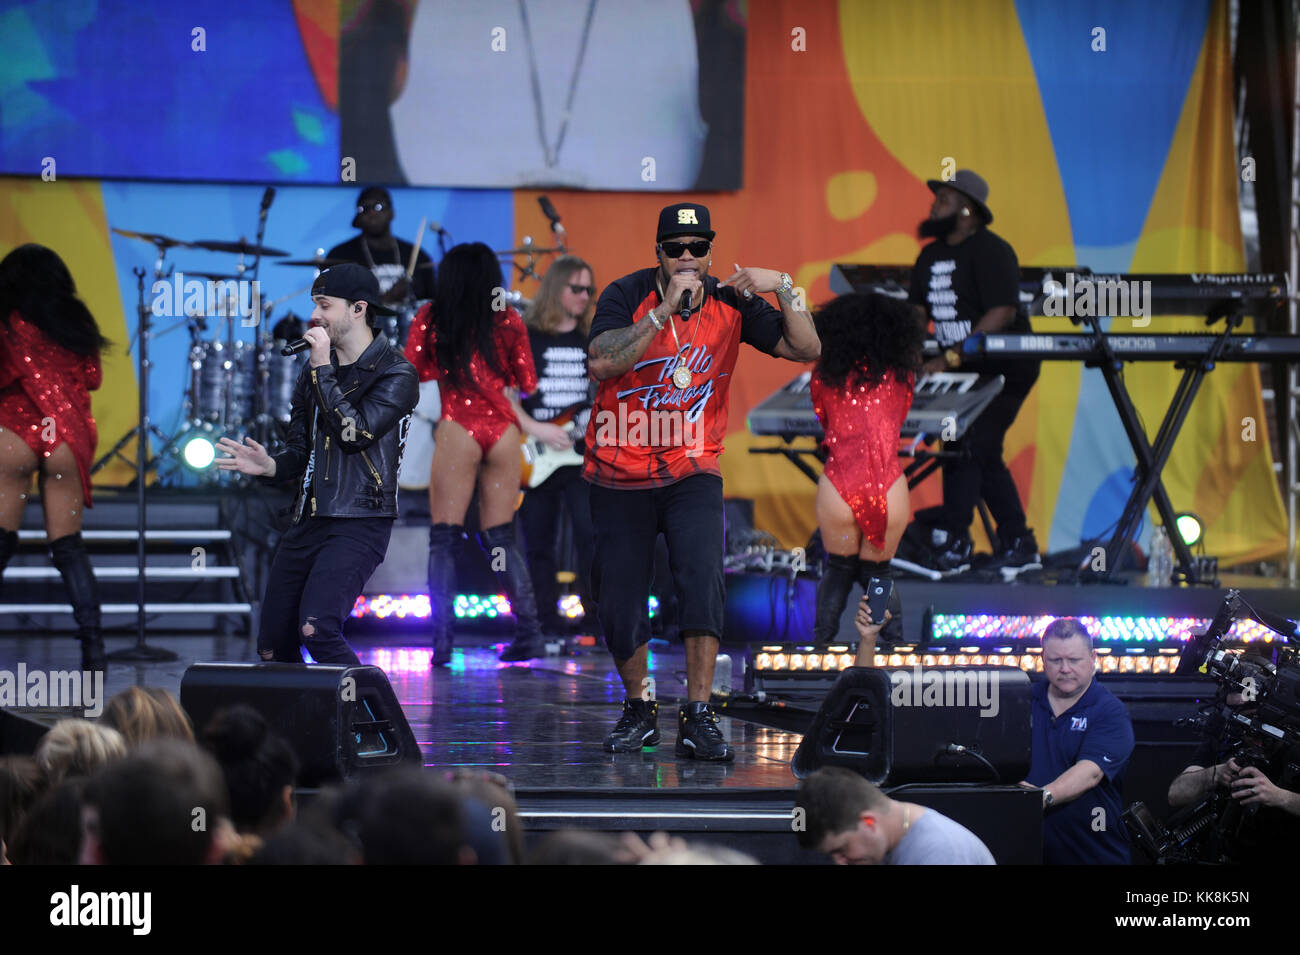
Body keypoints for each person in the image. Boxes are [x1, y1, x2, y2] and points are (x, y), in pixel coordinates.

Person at [585, 201, 820, 760]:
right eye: (676, 249)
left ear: (711, 252)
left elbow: (806, 348)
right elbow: (602, 362)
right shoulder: (625, 293)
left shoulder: (732, 300)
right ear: (658, 253)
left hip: (693, 466)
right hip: (619, 471)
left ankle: (698, 713)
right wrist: (663, 311)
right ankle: (641, 708)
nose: (688, 258)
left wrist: (783, 285)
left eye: (698, 248)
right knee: (619, 598)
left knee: (701, 580)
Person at [217, 263, 419, 666]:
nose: (315, 316)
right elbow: (301, 450)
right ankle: (296, 728)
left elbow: (354, 434)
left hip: (360, 518)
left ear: (358, 309)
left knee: (317, 628)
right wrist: (272, 466)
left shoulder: (396, 373)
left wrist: (322, 368)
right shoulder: (312, 374)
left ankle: (369, 722)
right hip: (309, 517)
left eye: (325, 305)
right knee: (272, 645)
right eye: (315, 305)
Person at [404, 242, 547, 665]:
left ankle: (443, 643)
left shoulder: (432, 317)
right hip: (503, 432)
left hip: (458, 429)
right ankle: (529, 633)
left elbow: (413, 370)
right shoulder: (508, 319)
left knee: (445, 538)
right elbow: (527, 382)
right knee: (501, 538)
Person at [903, 169, 1041, 576]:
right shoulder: (929, 256)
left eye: (943, 200)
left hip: (1004, 370)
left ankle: (957, 540)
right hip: (961, 372)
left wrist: (949, 358)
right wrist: (909, 349)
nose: (933, 206)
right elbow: (917, 311)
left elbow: (1002, 311)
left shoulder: (992, 250)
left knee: (970, 441)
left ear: (967, 210)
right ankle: (1017, 542)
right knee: (972, 446)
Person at [0, 244, 110, 670]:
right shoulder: (75, 319)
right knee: (67, 547)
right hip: (66, 438)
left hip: (13, 432)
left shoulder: (9, 321)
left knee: (1, 542)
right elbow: (94, 379)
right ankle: (94, 653)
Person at [810, 292, 921, 648]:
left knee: (839, 569)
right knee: (878, 572)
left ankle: (820, 649)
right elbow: (899, 419)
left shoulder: (824, 377)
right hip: (888, 486)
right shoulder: (902, 378)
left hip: (839, 485)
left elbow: (824, 420)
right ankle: (893, 647)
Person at [513, 255, 599, 637]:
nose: (584, 296)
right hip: (537, 451)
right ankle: (544, 621)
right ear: (555, 289)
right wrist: (537, 427)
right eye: (576, 288)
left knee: (591, 536)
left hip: (581, 454)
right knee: (538, 540)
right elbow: (504, 393)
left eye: (589, 290)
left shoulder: (593, 340)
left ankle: (595, 617)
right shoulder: (527, 337)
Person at [1022, 617, 1135, 865]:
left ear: (1093, 658)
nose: (1064, 668)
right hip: (1028, 851)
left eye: (1074, 660)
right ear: (1042, 659)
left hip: (1093, 855)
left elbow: (1090, 773)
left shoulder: (1109, 711)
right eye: (1055, 660)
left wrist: (1040, 798)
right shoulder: (1022, 700)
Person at [794, 767, 995, 864]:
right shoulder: (886, 847)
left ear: (869, 821)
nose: (840, 862)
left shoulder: (939, 852)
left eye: (842, 849)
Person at [327, 186, 435, 309]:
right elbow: (334, 306)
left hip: (409, 326)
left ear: (392, 213)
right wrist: (384, 300)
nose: (372, 213)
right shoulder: (340, 256)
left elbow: (431, 303)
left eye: (379, 206)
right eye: (364, 209)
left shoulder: (417, 256)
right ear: (357, 217)